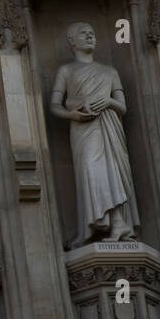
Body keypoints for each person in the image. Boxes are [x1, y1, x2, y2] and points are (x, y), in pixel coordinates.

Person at [49, 22, 139, 246]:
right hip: (83, 128)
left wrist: (108, 101)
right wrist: (75, 114)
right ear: (72, 42)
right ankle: (89, 227)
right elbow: (54, 105)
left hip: (109, 125)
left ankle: (119, 222)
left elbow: (123, 107)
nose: (90, 36)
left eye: (92, 33)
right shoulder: (67, 71)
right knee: (90, 169)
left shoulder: (110, 71)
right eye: (84, 33)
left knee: (113, 170)